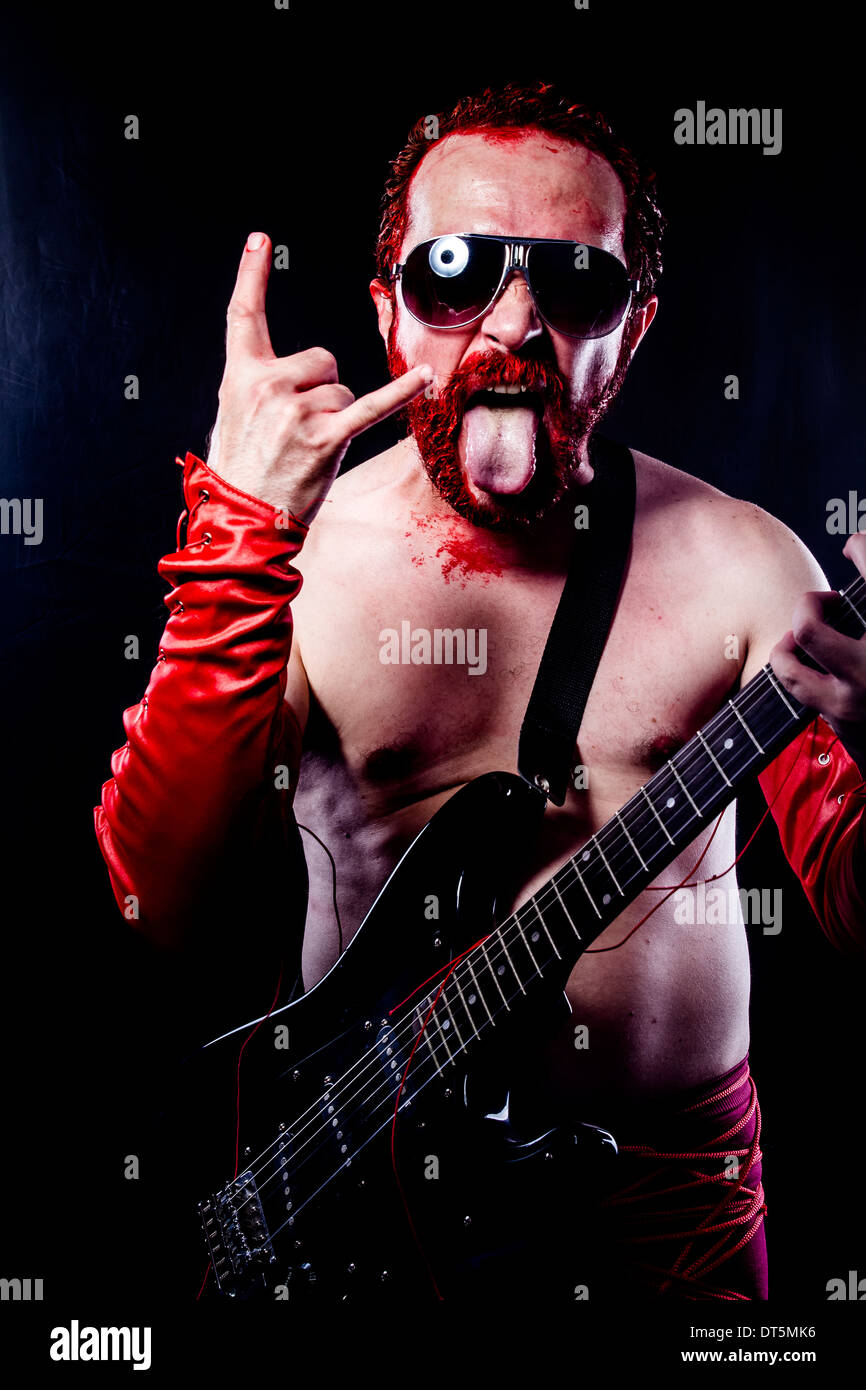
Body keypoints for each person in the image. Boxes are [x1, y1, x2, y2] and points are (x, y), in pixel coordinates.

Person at [94, 81, 866, 1301]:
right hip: (354, 1192)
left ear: (637, 326)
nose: (511, 323)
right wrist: (237, 545)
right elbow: (157, 907)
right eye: (453, 271)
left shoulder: (749, 564)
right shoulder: (293, 560)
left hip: (663, 1211)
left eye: (575, 283)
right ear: (386, 315)